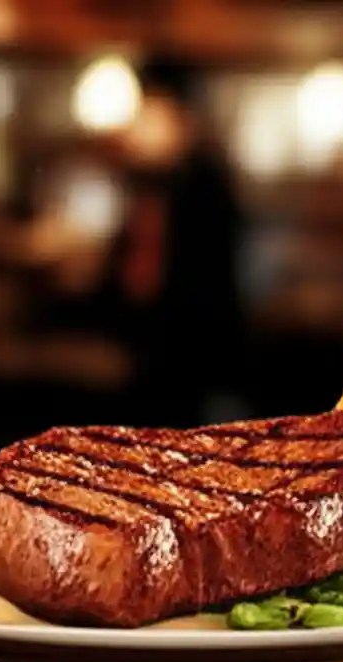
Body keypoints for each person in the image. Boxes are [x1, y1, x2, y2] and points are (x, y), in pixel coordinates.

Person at [108, 57, 249, 426]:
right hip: (146, 353)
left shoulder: (206, 186)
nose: (139, 129)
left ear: (182, 119)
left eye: (152, 116)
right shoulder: (146, 184)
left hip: (192, 357)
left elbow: (207, 283)